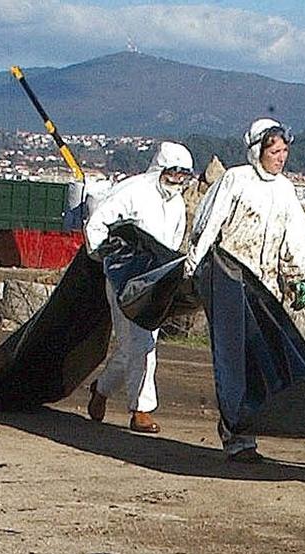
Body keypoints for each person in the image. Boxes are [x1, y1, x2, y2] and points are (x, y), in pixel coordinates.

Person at [185, 117, 305, 462]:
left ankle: (251, 428)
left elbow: (297, 236)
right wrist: (195, 262)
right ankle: (235, 434)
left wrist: (302, 277)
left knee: (261, 359)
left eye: (284, 150)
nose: (280, 157)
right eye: (274, 150)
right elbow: (209, 221)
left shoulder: (284, 190)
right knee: (234, 359)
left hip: (264, 287)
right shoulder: (236, 181)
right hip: (229, 281)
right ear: (257, 151)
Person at [82, 142, 194, 434]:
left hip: (156, 283)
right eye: (174, 172)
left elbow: (173, 243)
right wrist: (104, 257)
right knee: (143, 344)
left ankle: (102, 389)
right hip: (126, 279)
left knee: (135, 345)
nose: (178, 179)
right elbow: (98, 222)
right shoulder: (133, 191)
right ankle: (141, 409)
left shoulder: (177, 204)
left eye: (184, 174)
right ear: (161, 168)